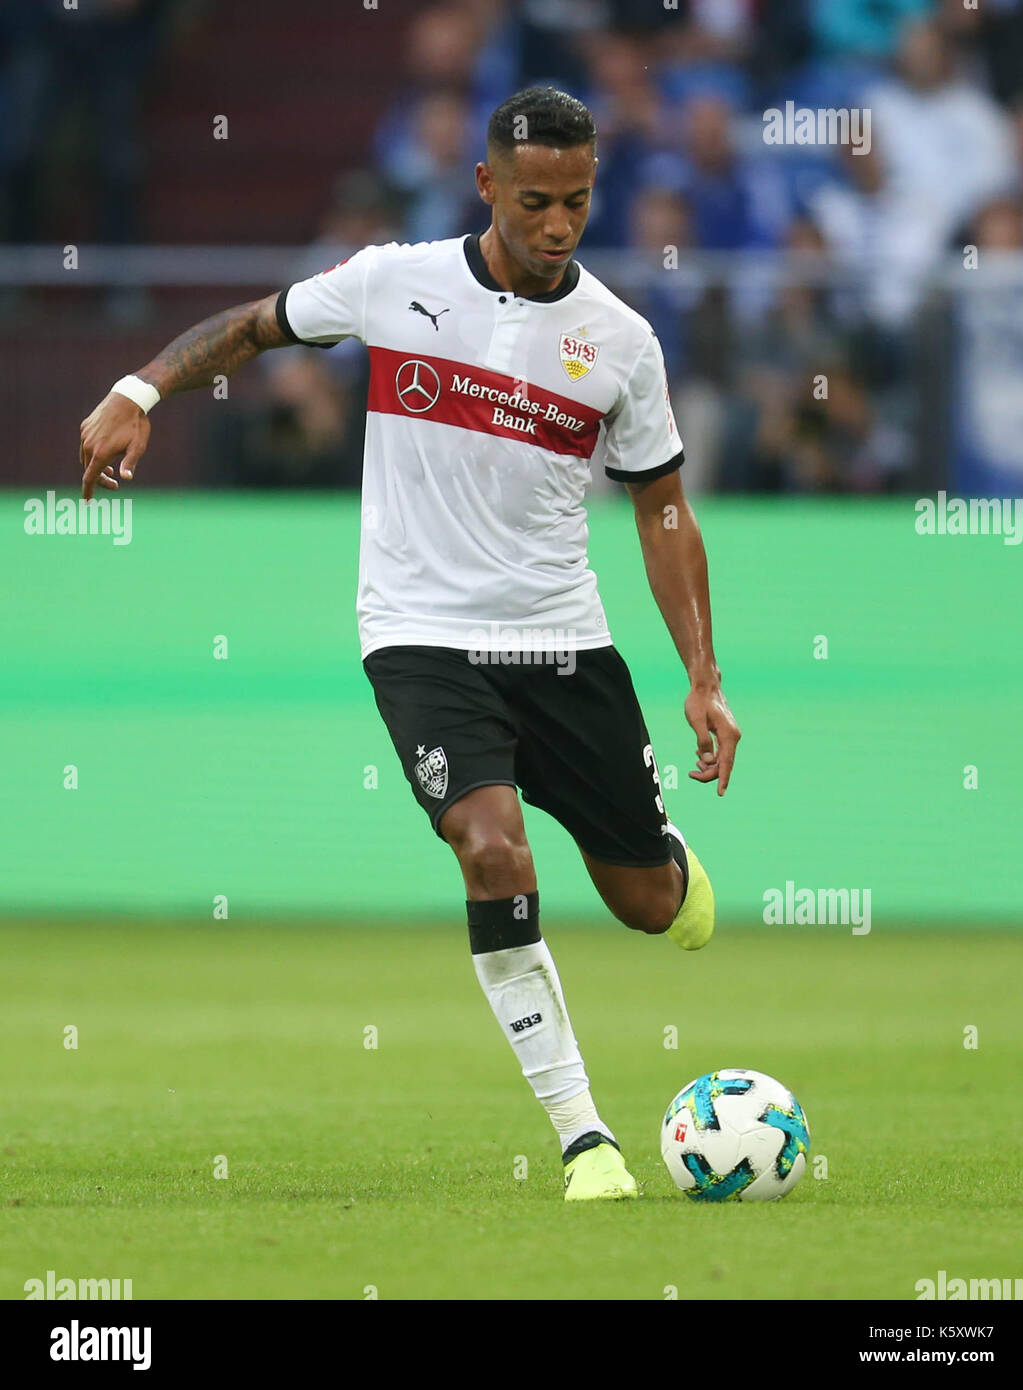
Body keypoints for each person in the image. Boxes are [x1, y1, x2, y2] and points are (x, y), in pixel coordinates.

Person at [78, 87, 741, 1203]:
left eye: (578, 201)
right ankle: (585, 1138)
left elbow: (663, 507)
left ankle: (665, 860)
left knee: (643, 903)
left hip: (563, 642)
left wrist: (704, 679)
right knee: (490, 848)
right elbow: (253, 326)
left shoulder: (620, 342)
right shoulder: (395, 283)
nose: (558, 225)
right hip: (420, 637)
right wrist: (140, 386)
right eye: (536, 201)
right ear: (487, 187)